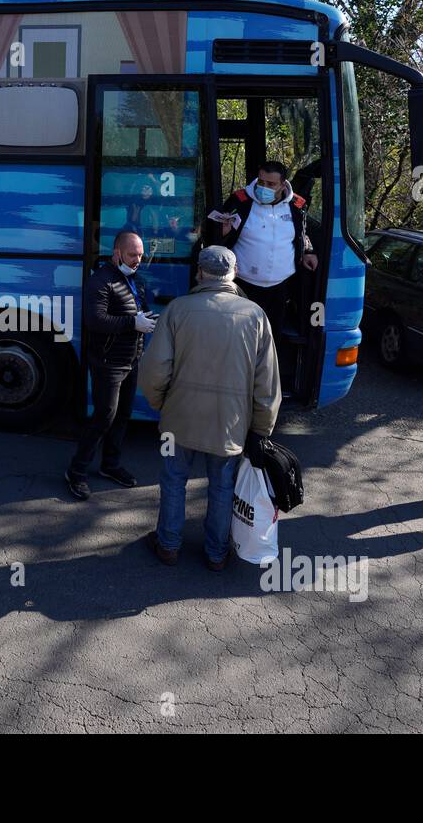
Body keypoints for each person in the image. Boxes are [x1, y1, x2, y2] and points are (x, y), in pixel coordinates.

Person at [138, 245, 281, 570]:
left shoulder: (177, 309)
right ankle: (216, 553)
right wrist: (262, 428)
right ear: (234, 274)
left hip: (180, 418)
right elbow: (267, 384)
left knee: (174, 480)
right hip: (230, 423)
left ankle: (168, 545)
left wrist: (162, 404)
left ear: (199, 273)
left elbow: (154, 371)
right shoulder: (255, 315)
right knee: (222, 485)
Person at [65, 230, 154, 501]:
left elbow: (138, 311)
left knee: (123, 415)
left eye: (140, 254)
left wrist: (148, 320)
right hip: (108, 362)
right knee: (104, 416)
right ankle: (76, 471)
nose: (138, 259)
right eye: (132, 254)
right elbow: (96, 321)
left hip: (131, 358)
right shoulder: (100, 281)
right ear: (117, 253)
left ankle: (110, 465)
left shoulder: (134, 280)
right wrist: (132, 323)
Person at [201, 160, 317, 340]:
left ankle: (267, 368)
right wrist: (221, 232)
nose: (264, 187)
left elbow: (302, 234)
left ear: (283, 185)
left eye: (271, 184)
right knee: (240, 336)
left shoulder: (296, 205)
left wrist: (308, 252)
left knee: (271, 338)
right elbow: (215, 235)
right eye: (261, 182)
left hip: (280, 287)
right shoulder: (240, 200)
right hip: (244, 285)